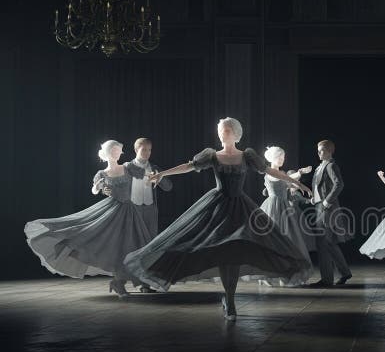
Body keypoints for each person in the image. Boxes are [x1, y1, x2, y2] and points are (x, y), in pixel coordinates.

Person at [124, 118, 312, 320]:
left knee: (234, 254)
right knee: (223, 254)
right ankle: (229, 301)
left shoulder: (246, 155)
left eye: (227, 130)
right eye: (221, 130)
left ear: (236, 133)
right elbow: (189, 166)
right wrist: (163, 173)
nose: (223, 133)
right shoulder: (212, 155)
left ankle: (229, 298)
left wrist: (297, 183)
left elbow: (270, 170)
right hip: (218, 207)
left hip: (240, 208)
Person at [25, 140, 153, 297]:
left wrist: (155, 176)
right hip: (112, 211)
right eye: (113, 150)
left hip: (129, 211)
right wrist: (98, 187)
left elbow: (146, 174)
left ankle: (120, 282)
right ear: (107, 153)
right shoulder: (102, 174)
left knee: (131, 246)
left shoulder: (127, 167)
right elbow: (94, 189)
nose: (117, 153)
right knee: (113, 245)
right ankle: (119, 283)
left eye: (118, 150)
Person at [259, 146, 314, 286]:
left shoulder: (281, 173)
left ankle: (285, 275)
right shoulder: (269, 171)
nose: (282, 160)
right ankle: (268, 275)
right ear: (272, 158)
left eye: (283, 157)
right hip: (274, 207)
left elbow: (287, 181)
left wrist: (299, 179)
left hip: (284, 207)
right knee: (273, 241)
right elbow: (286, 178)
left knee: (287, 240)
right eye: (279, 157)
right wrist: (301, 183)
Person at [124, 137, 173, 293]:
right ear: (136, 150)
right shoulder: (127, 167)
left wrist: (160, 178)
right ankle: (123, 281)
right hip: (133, 210)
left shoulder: (154, 167)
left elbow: (168, 187)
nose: (147, 153)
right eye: (144, 149)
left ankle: (145, 284)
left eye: (149, 150)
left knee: (150, 246)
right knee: (133, 244)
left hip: (150, 210)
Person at [307, 140, 353, 287]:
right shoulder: (319, 167)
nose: (318, 153)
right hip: (319, 206)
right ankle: (343, 273)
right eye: (318, 150)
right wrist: (314, 198)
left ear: (329, 151)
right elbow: (319, 186)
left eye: (321, 150)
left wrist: (326, 201)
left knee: (324, 242)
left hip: (327, 208)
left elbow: (339, 184)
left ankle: (328, 279)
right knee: (327, 243)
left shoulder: (331, 165)